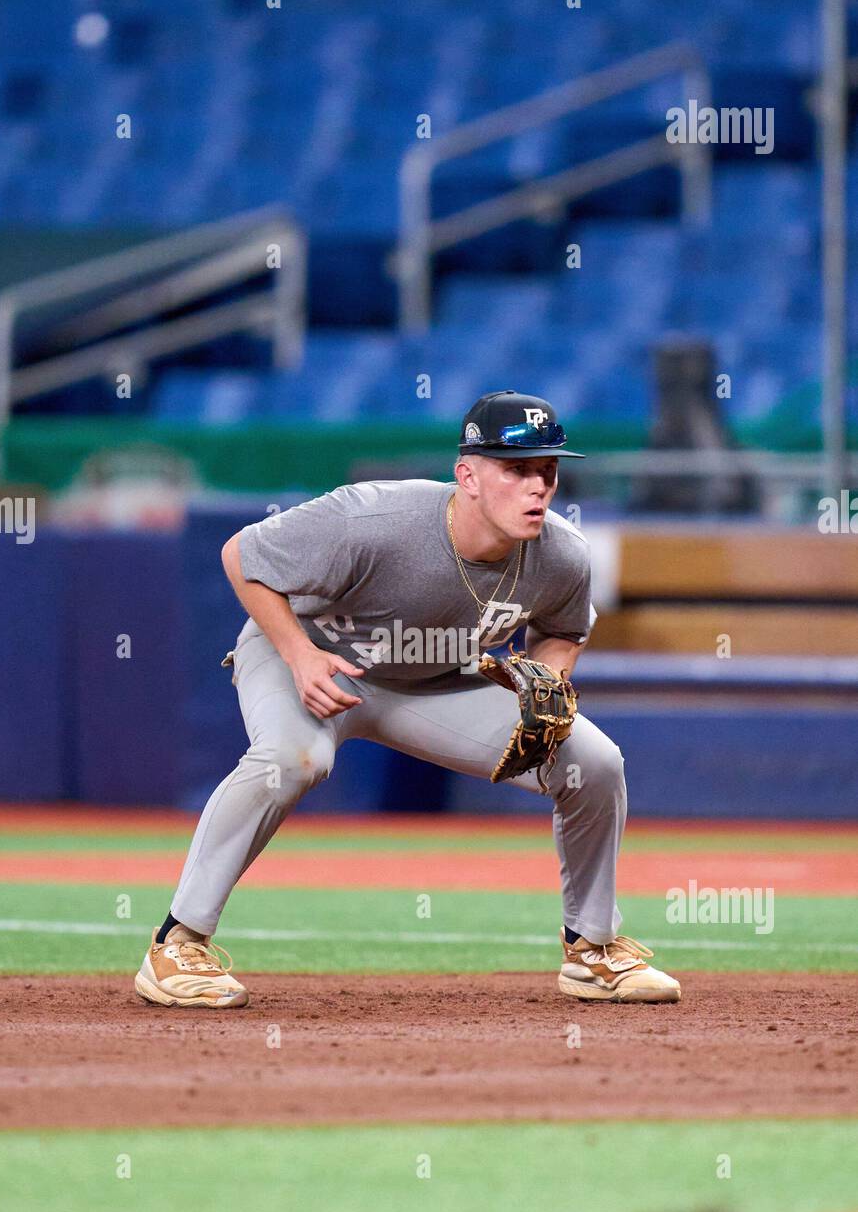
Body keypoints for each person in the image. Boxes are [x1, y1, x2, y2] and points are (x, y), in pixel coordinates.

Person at [134, 390, 681, 1008]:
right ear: (467, 476)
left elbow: (563, 630)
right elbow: (241, 555)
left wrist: (545, 679)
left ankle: (592, 949)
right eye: (517, 469)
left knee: (595, 763)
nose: (538, 486)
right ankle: (177, 944)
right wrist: (297, 652)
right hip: (316, 661)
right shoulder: (373, 519)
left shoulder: (560, 553)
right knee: (295, 759)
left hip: (431, 684)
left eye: (547, 470)